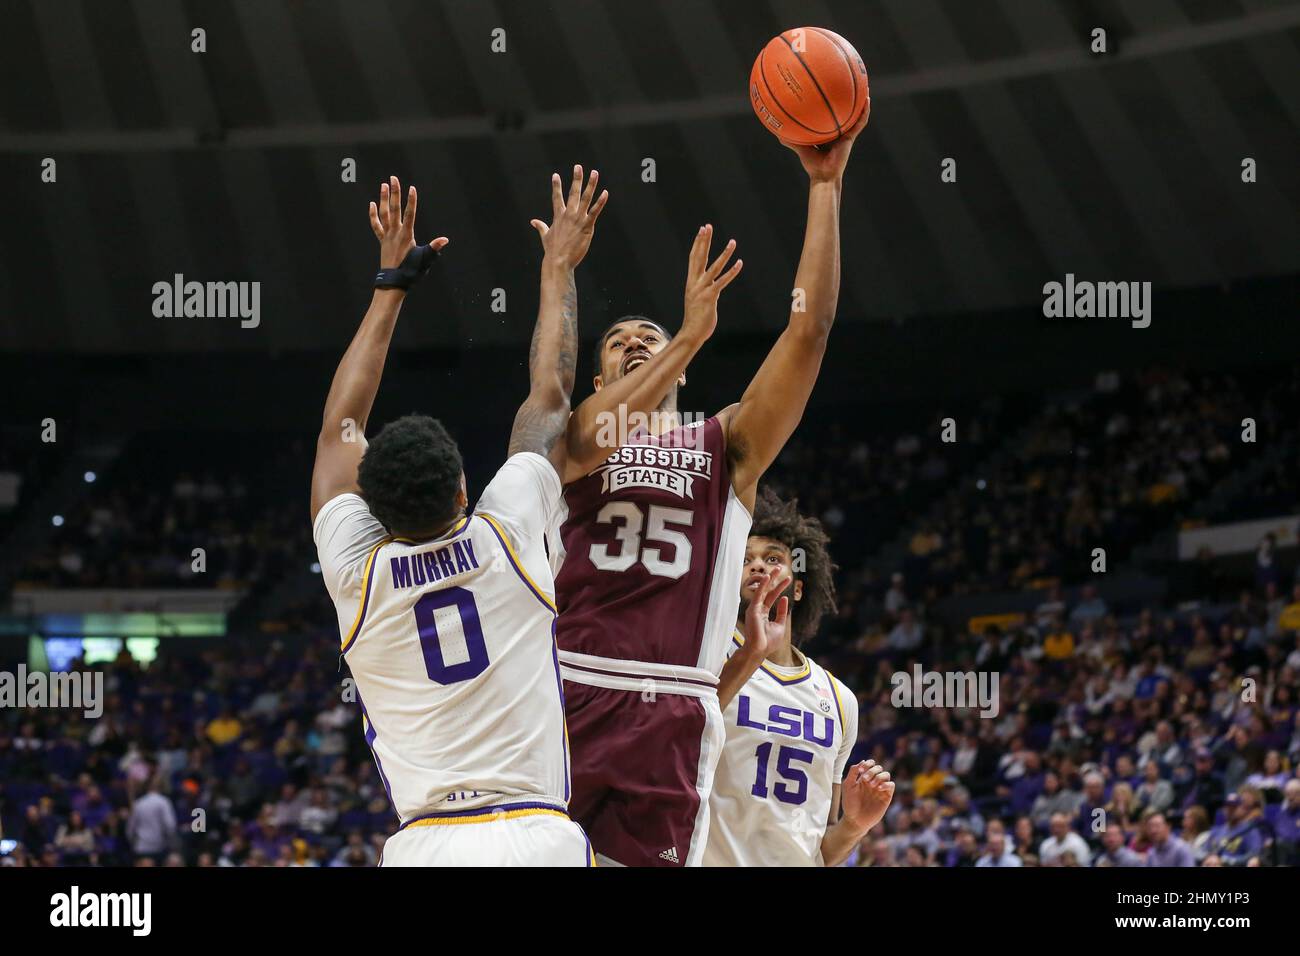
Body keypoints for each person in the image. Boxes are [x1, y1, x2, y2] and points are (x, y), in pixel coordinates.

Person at [309, 171, 719, 865]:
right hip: (535, 835)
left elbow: (339, 427)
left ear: (370, 510)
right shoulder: (506, 532)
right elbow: (552, 396)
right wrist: (558, 266)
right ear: (464, 490)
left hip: (423, 845)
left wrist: (388, 290)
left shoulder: (355, 572)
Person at [551, 106, 871, 866]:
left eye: (649, 339)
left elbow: (808, 333)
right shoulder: (576, 436)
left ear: (682, 374)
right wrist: (684, 333)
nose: (635, 341)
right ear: (600, 379)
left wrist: (825, 186)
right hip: (571, 684)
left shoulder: (723, 446)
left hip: (673, 701)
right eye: (619, 344)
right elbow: (592, 433)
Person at [705, 489, 892, 866]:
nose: (758, 566)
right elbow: (673, 740)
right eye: (745, 560)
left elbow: (822, 850)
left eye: (772, 559)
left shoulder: (840, 700)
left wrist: (855, 825)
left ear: (799, 586)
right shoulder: (705, 656)